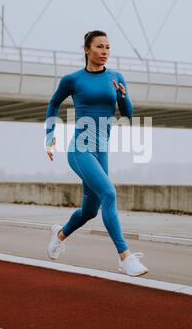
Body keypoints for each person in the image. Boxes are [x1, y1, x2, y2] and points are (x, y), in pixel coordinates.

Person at [44, 30, 148, 277]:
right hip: (80, 149)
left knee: (90, 210)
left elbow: (128, 114)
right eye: (100, 47)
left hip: (102, 150)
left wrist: (123, 96)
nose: (105, 52)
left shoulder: (116, 77)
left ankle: (60, 234)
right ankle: (125, 257)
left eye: (108, 48)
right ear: (86, 49)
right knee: (109, 192)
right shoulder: (72, 79)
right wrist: (50, 135)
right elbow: (53, 103)